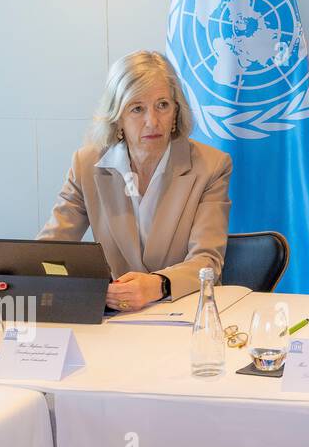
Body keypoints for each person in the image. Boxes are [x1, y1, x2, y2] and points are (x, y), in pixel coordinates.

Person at [31, 51, 231, 311]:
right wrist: (13, 276)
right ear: (117, 118)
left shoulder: (211, 166)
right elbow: (52, 248)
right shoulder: (87, 165)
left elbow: (207, 261)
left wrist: (158, 285)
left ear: (176, 111)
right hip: (117, 315)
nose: (152, 121)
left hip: (187, 312)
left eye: (162, 105)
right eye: (137, 109)